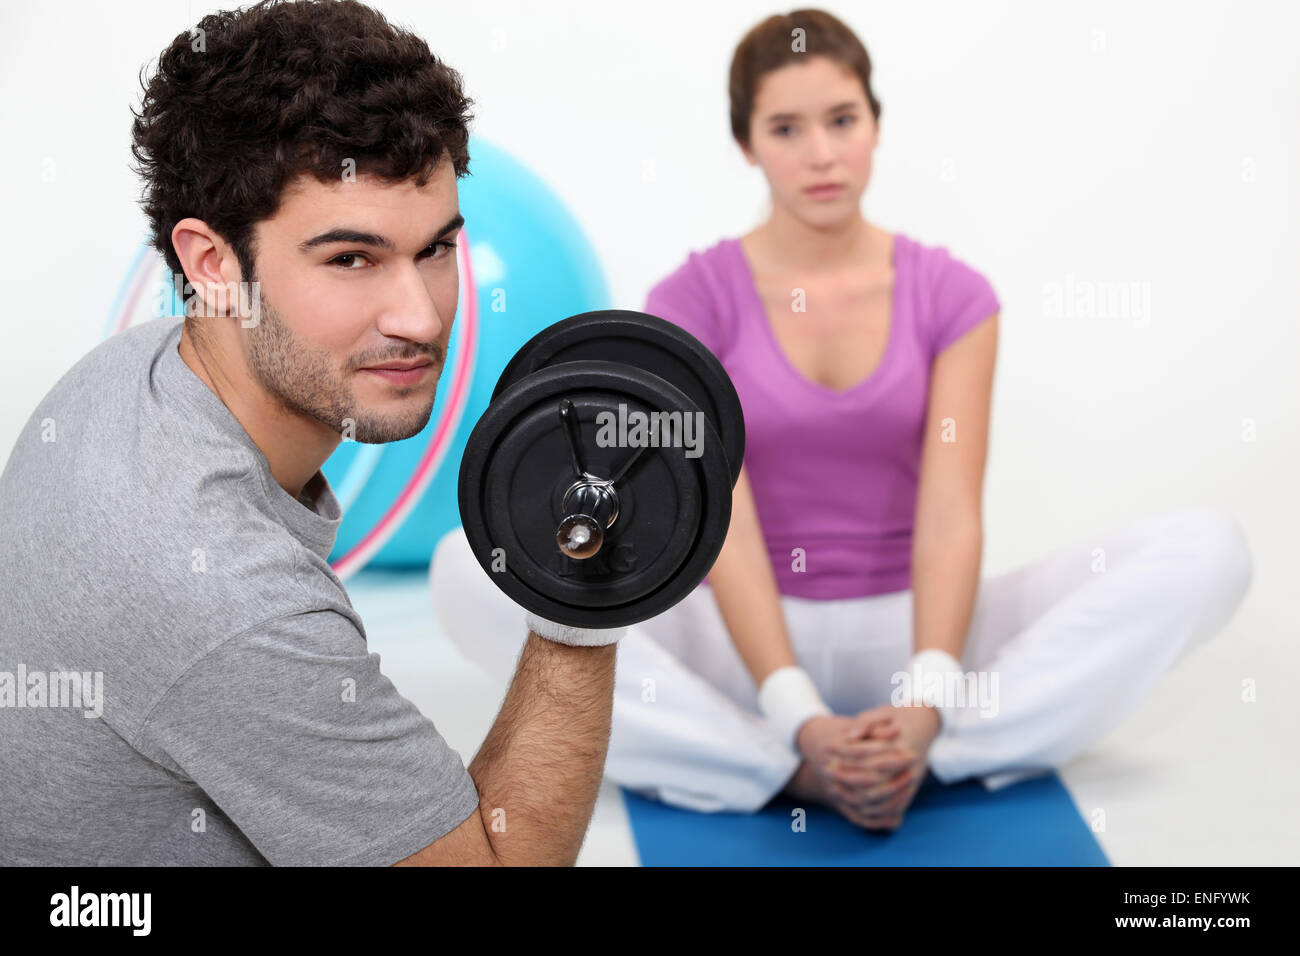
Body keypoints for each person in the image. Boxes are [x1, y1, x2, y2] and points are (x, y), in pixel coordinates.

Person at [433, 8, 1254, 831]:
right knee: (469, 565)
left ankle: (928, 753)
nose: (821, 152)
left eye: (841, 120)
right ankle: (781, 767)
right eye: (786, 128)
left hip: (919, 628)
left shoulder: (954, 296)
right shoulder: (692, 300)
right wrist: (795, 713)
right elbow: (727, 528)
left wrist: (930, 695)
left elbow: (950, 510)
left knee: (1209, 551)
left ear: (874, 126)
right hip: (737, 642)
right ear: (749, 145)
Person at [0, 0, 630, 867]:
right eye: (350, 260)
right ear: (213, 263)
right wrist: (587, 589)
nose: (420, 317)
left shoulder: (123, 380)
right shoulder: (226, 600)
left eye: (438, 249)